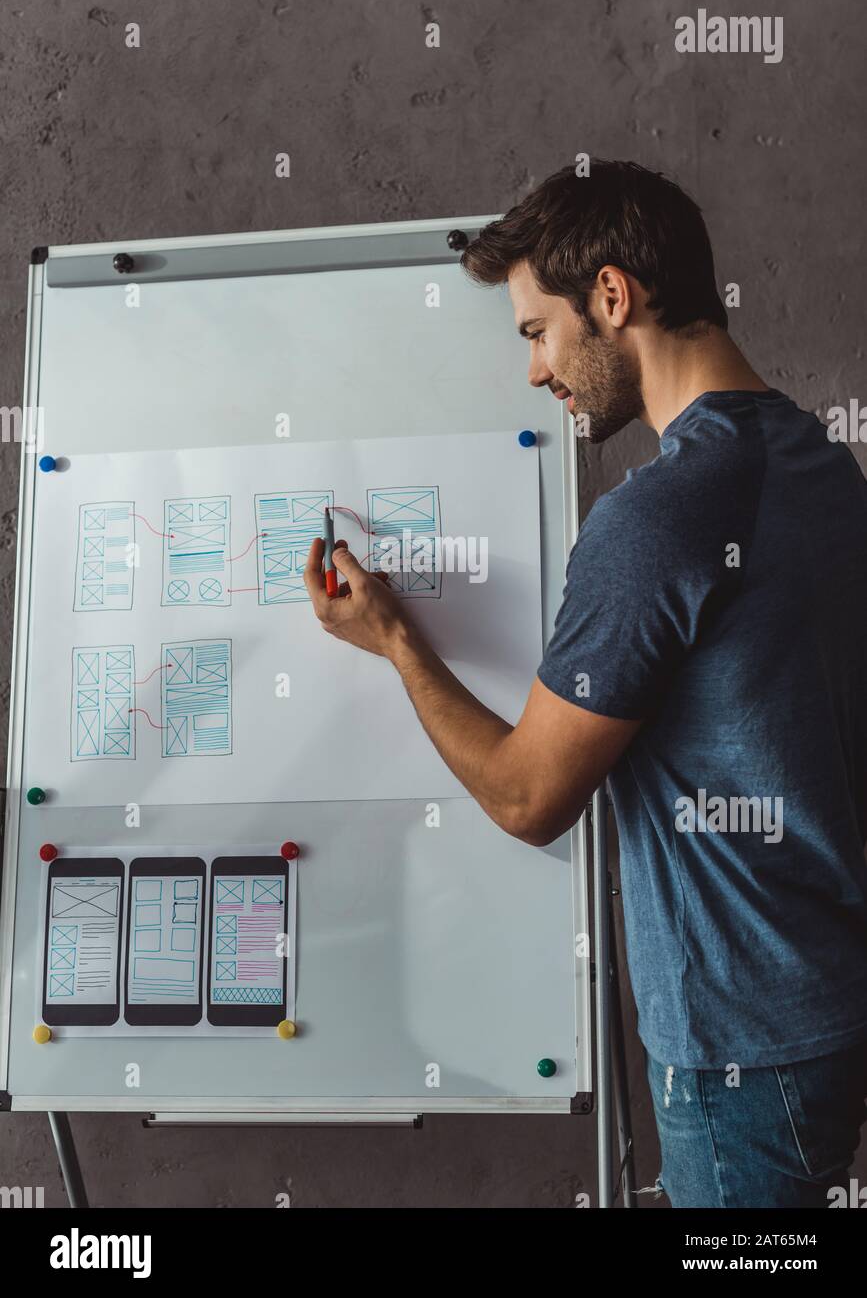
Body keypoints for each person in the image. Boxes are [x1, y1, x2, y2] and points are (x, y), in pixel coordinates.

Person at [304, 160, 867, 1208]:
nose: (533, 370)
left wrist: (394, 638)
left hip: (740, 1046)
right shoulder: (821, 465)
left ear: (612, 297)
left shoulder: (657, 518)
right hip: (823, 1008)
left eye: (535, 331)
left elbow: (529, 794)